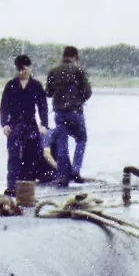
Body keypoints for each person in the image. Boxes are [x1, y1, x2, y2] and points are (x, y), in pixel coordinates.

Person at [0, 55, 50, 194]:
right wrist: (4, 124)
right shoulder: (10, 85)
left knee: (31, 158)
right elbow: (4, 106)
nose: (22, 72)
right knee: (13, 158)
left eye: (24, 69)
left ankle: (27, 190)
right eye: (19, 70)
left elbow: (42, 106)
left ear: (30, 68)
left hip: (31, 124)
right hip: (14, 125)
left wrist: (44, 125)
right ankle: (11, 188)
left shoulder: (36, 86)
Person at [44, 46, 92, 185]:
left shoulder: (53, 71)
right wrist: (79, 99)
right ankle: (76, 170)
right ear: (76, 57)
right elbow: (88, 92)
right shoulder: (79, 71)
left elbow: (49, 93)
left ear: (63, 56)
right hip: (75, 112)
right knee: (81, 139)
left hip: (59, 113)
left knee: (62, 142)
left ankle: (63, 176)